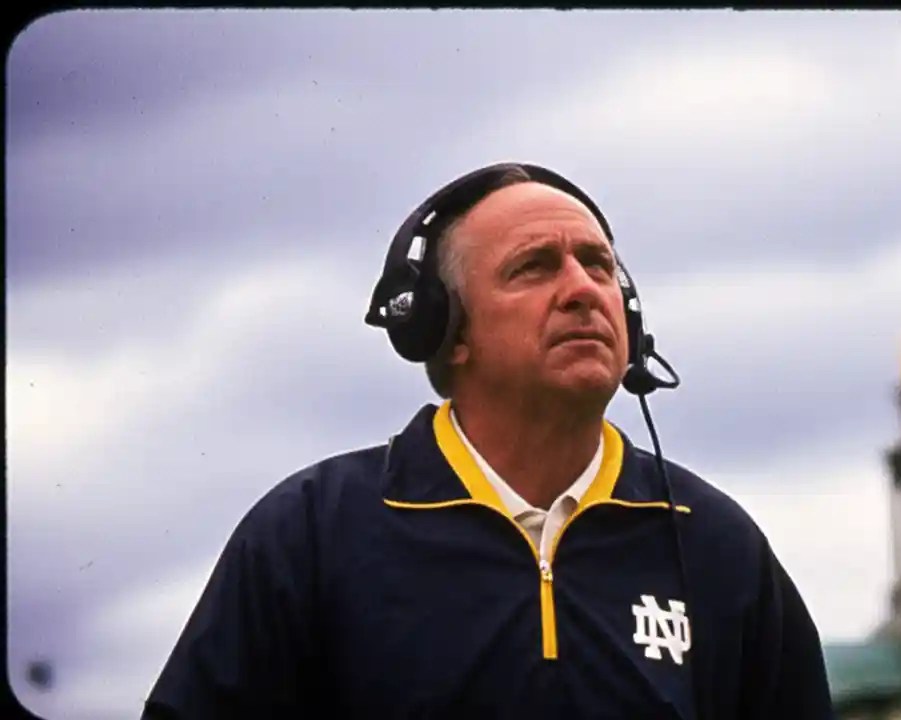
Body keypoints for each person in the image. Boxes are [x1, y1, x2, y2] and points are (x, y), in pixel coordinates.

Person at [142, 163, 834, 719]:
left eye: (598, 265)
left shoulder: (716, 544)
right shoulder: (310, 535)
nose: (582, 290)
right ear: (445, 329)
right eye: (534, 267)